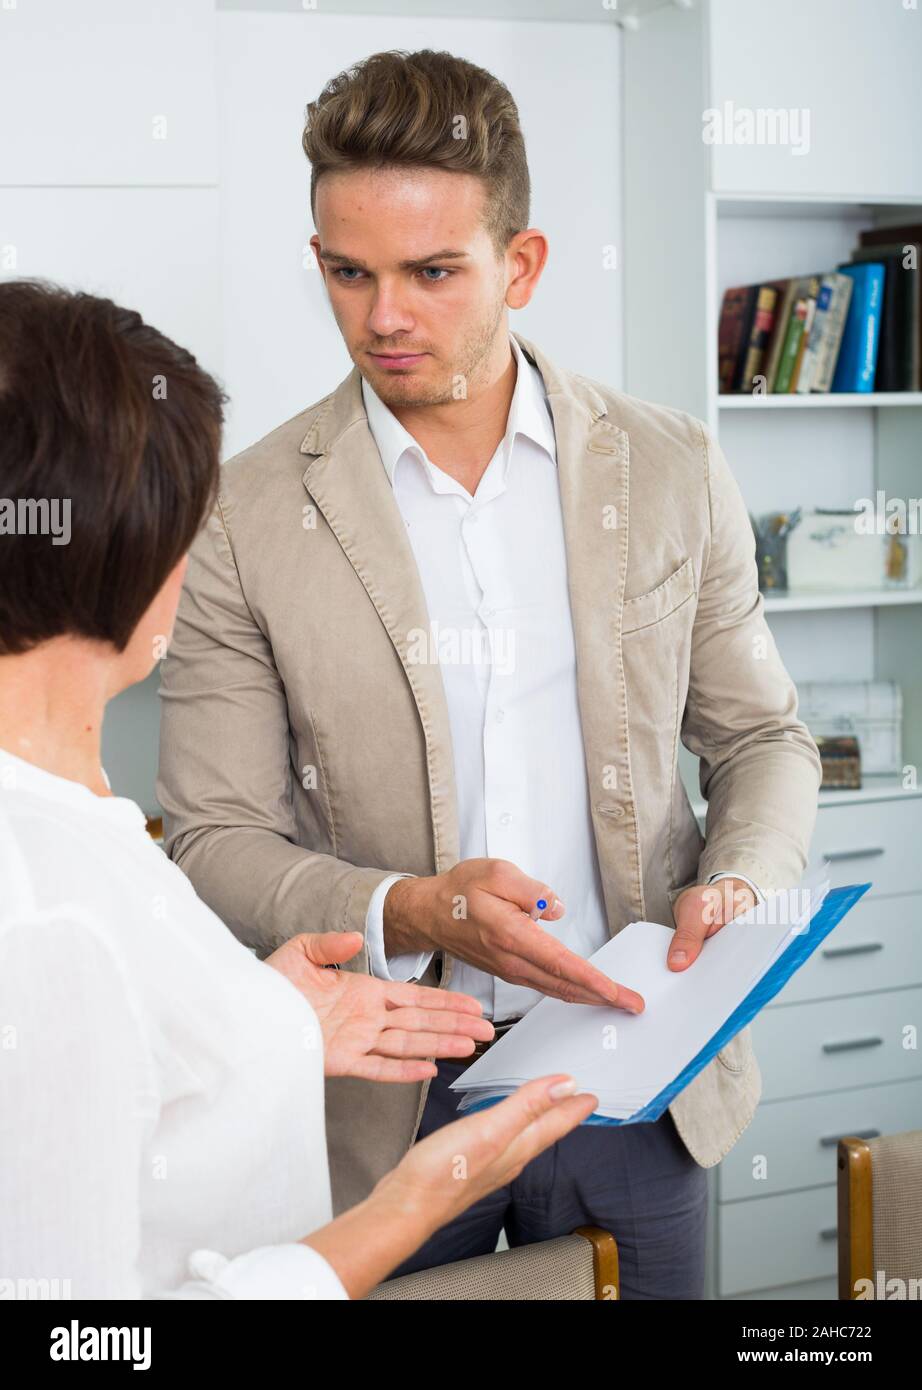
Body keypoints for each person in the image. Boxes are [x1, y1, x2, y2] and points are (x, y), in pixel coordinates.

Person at [157, 49, 822, 1298]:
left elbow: (764, 743)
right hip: (385, 1100)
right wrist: (411, 907)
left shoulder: (671, 466)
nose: (384, 316)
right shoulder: (242, 514)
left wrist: (739, 881)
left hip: (638, 1069)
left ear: (521, 265)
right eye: (348, 273)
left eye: (432, 272)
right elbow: (210, 834)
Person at [0, 279, 597, 1301]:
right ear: (134, 546)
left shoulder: (68, 822)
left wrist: (262, 1020)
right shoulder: (50, 908)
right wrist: (406, 1208)